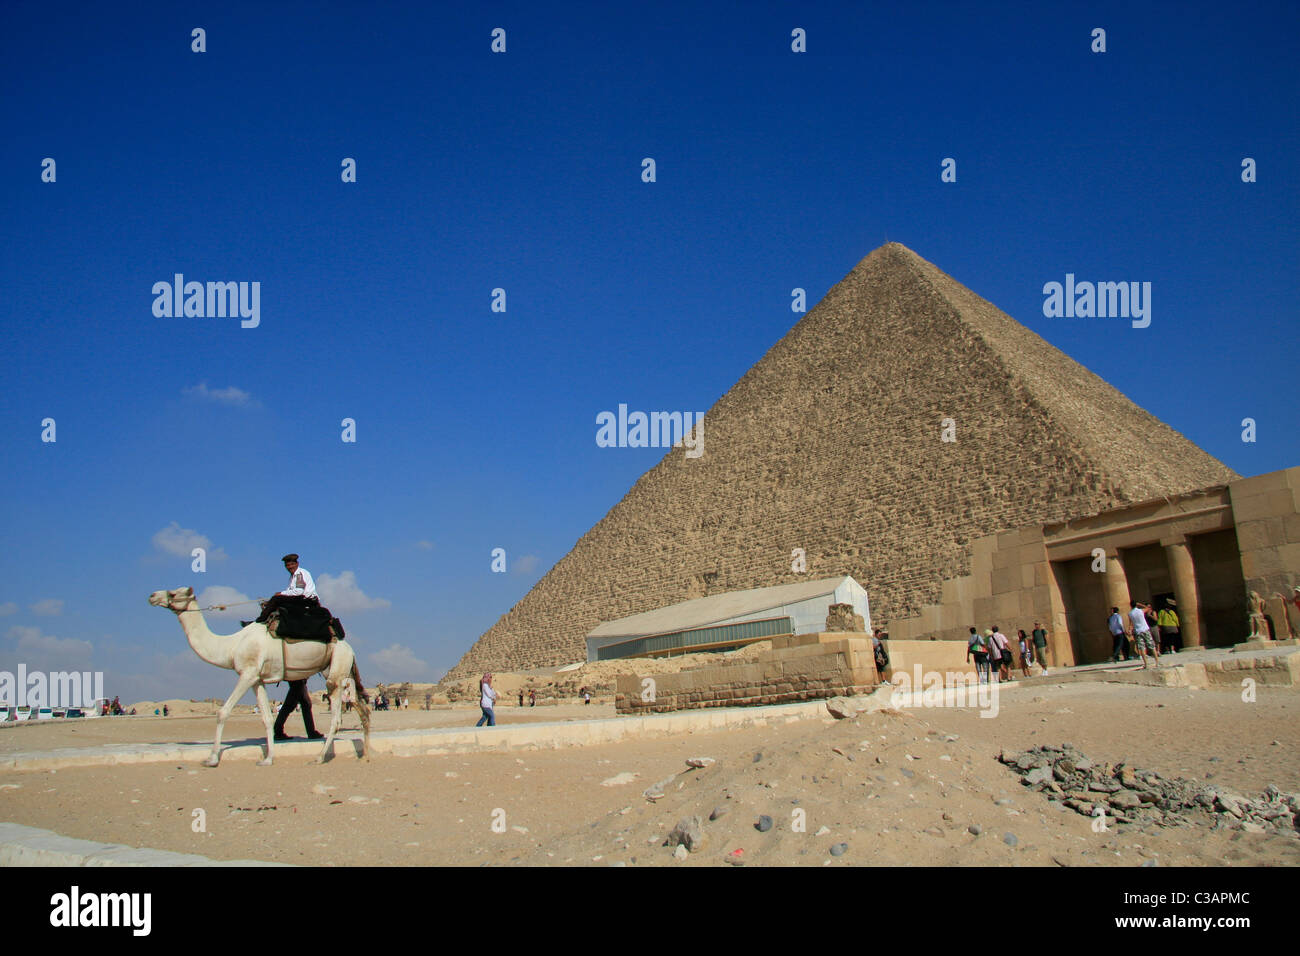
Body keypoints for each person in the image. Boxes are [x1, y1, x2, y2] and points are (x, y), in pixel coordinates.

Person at [256, 554, 319, 624]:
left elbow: (299, 591)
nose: (290, 567)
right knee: (276, 600)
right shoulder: (292, 577)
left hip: (307, 600)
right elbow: (290, 592)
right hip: (301, 598)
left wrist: (281, 594)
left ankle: (260, 620)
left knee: (276, 599)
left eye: (292, 564)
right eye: (287, 565)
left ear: (297, 564)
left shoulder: (299, 574)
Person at [1128, 600, 1159, 670]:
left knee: (1141, 648)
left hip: (1138, 631)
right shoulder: (1140, 611)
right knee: (1151, 645)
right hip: (1145, 629)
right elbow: (1148, 608)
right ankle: (1157, 661)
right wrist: (1140, 604)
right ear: (1136, 604)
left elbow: (1131, 623)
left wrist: (1130, 630)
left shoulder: (1130, 613)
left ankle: (1146, 663)